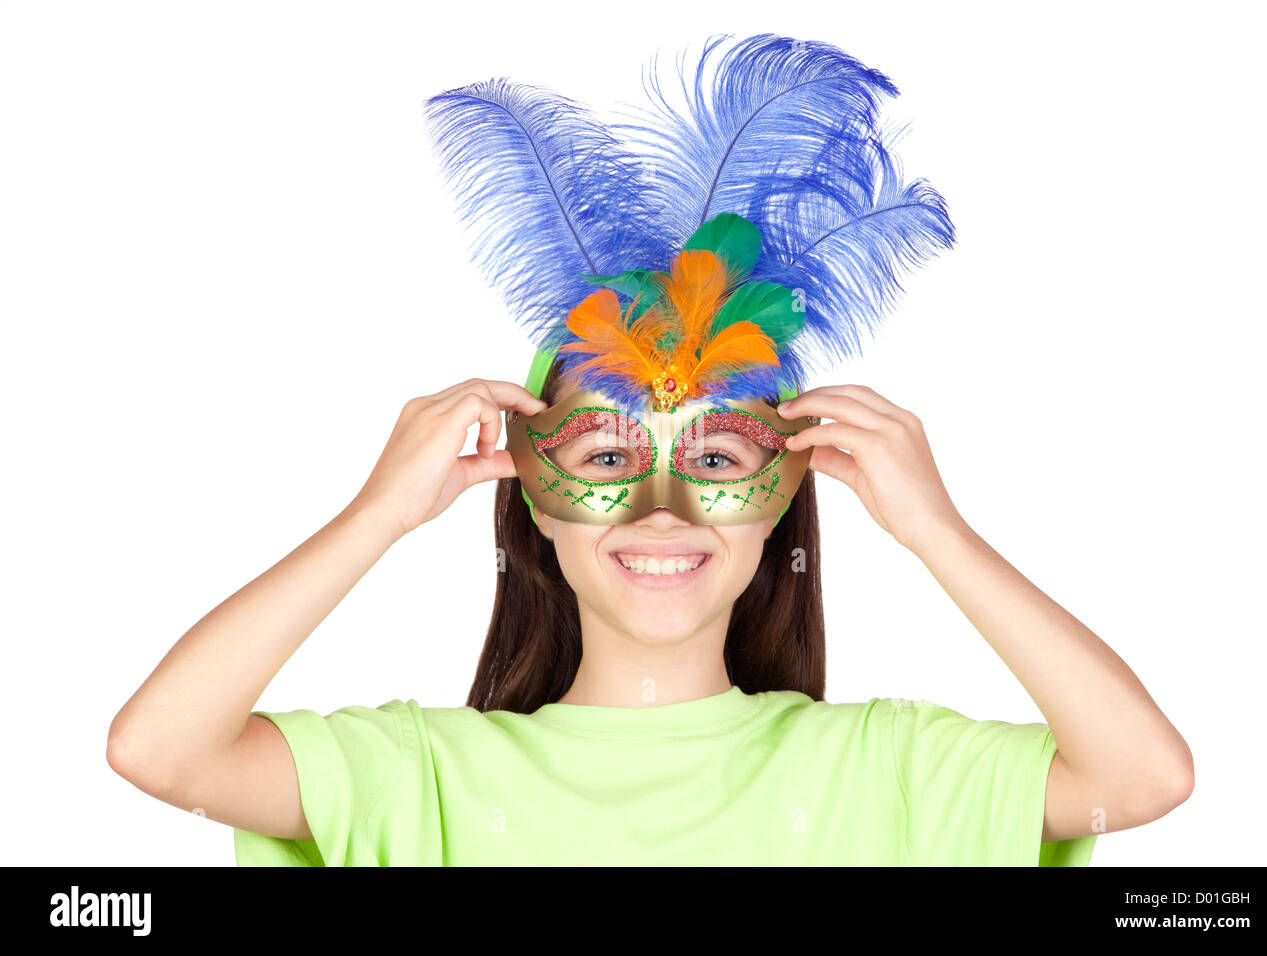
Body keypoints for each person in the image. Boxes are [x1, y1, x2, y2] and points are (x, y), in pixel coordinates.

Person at [106, 33, 1193, 866]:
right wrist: (374, 516)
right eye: (609, 458)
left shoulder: (889, 767)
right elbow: (161, 750)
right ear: (530, 489)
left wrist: (937, 532)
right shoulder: (423, 776)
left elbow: (1140, 775)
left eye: (719, 459)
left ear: (785, 493)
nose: (661, 511)